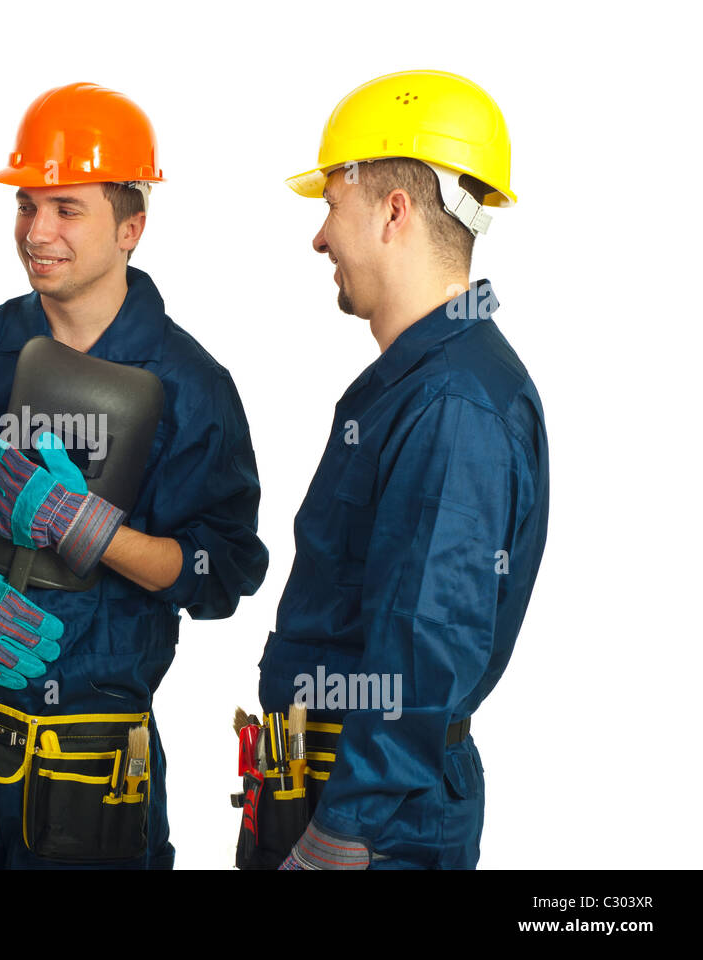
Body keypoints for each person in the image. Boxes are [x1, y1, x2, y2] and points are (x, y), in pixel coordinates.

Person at [0, 82, 268, 869]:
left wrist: (98, 535)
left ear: (132, 228)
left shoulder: (193, 387)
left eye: (67, 209)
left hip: (94, 777)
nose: (36, 232)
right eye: (26, 206)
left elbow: (223, 574)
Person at [260, 70, 549, 869]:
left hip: (379, 823)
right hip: (344, 786)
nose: (319, 237)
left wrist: (342, 832)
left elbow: (429, 638)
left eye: (331, 206)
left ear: (392, 212)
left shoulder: (453, 403)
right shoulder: (422, 383)